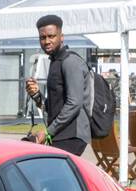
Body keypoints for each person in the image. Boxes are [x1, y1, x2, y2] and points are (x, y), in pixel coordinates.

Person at [24, 14, 91, 157]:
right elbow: (53, 107)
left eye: (51, 36)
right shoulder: (55, 62)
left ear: (61, 37)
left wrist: (48, 131)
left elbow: (74, 103)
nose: (47, 41)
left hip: (72, 136)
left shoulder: (70, 62)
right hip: (60, 134)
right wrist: (37, 95)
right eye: (43, 38)